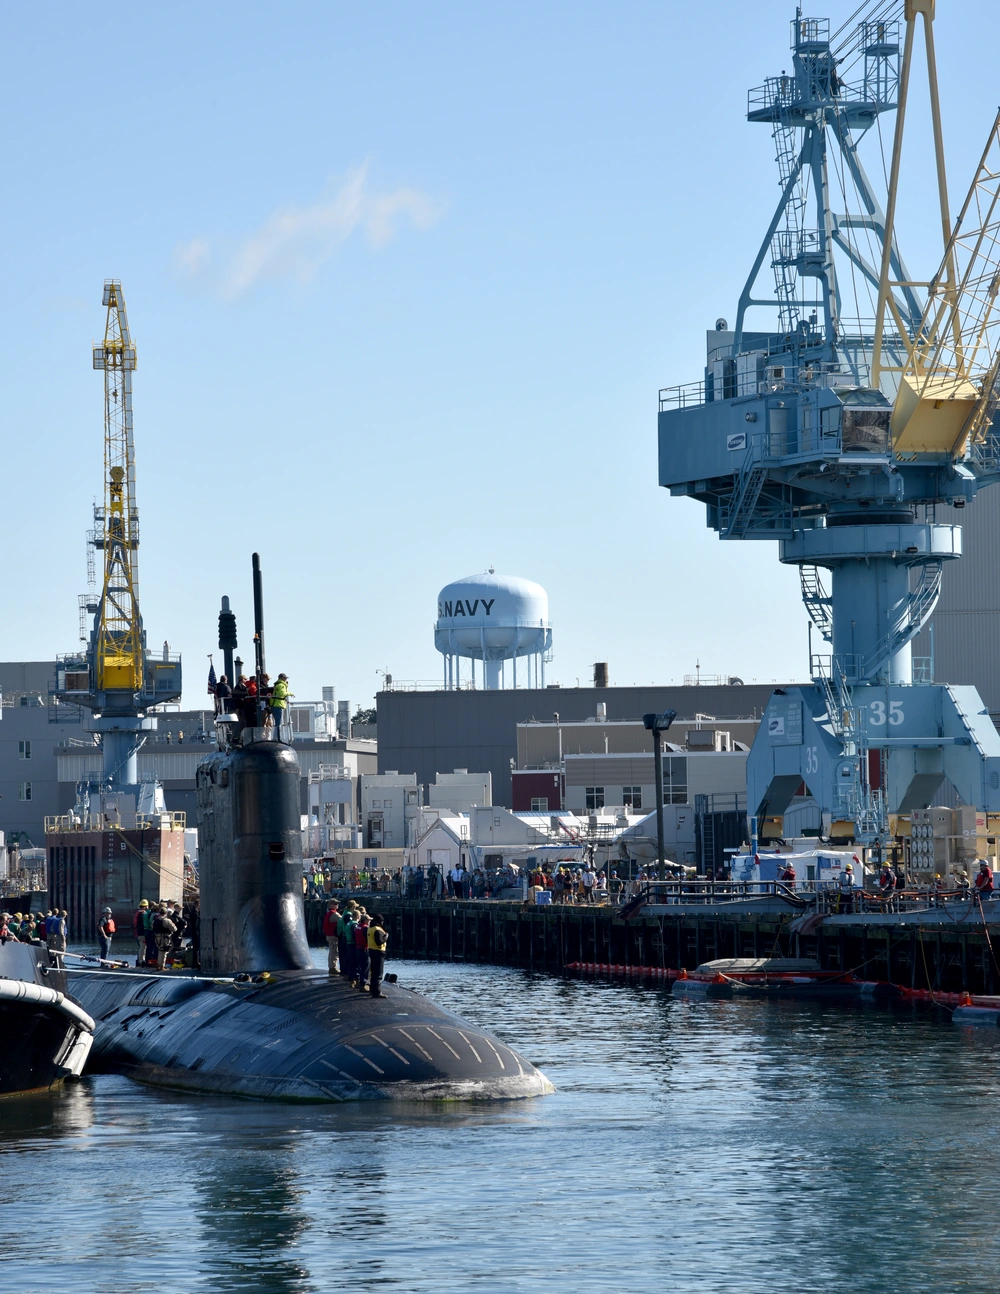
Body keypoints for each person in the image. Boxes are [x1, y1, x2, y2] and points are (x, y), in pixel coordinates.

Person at [367, 913, 389, 997]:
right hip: (378, 952)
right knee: (378, 973)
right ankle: (377, 992)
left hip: (371, 951)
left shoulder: (370, 928)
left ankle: (372, 990)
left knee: (373, 972)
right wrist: (386, 936)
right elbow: (379, 941)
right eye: (381, 921)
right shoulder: (377, 929)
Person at [153, 905, 177, 970]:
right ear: (165, 913)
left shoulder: (155, 920)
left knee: (160, 951)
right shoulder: (167, 920)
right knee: (164, 952)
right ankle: (162, 966)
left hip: (157, 938)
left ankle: (159, 964)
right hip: (164, 938)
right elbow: (174, 929)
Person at [322, 900, 341, 974]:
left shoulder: (328, 913)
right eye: (336, 904)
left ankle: (331, 966)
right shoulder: (333, 914)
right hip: (333, 936)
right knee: (335, 951)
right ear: (331, 905)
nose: (337, 906)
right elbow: (342, 920)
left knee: (331, 951)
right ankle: (333, 967)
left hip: (329, 935)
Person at [353, 912, 371, 991]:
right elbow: (368, 939)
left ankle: (358, 982)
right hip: (364, 949)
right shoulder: (365, 928)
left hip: (357, 948)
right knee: (365, 967)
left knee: (360, 966)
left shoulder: (357, 927)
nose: (369, 921)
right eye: (369, 920)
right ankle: (363, 984)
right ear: (365, 920)